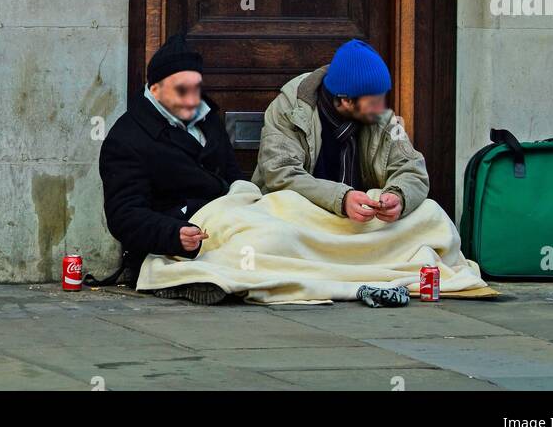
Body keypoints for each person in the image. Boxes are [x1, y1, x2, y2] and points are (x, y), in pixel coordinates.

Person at [99, 33, 244, 295]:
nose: (191, 99)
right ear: (155, 89)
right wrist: (174, 234)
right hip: (180, 235)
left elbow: (233, 174)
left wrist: (246, 197)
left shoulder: (207, 118)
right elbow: (124, 215)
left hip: (229, 218)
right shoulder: (127, 138)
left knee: (287, 222)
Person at [252, 38, 430, 222]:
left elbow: (411, 168)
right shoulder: (289, 109)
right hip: (301, 217)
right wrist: (341, 199)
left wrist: (398, 196)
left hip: (361, 221)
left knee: (432, 214)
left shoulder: (382, 118)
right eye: (374, 102)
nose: (381, 108)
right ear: (346, 101)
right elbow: (280, 173)